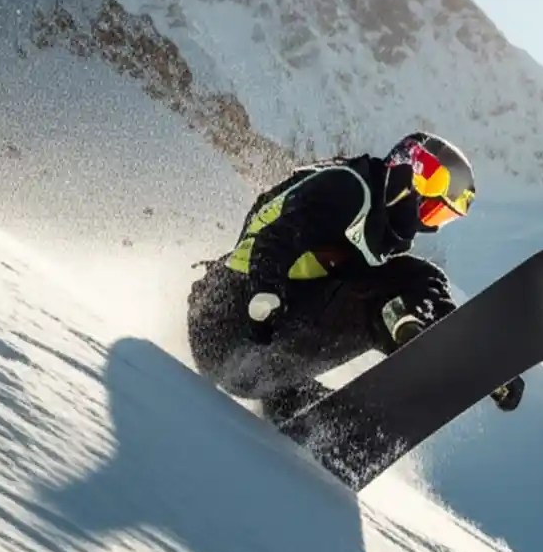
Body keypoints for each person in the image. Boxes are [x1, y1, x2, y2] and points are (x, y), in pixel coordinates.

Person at [185, 131, 525, 424]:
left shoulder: (371, 223)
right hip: (235, 325)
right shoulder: (349, 188)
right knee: (416, 278)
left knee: (392, 283)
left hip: (249, 352)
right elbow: (277, 237)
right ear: (408, 171)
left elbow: (329, 289)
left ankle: (308, 417)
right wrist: (265, 297)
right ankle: (411, 331)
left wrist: (486, 369)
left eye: (438, 215)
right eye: (428, 202)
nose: (425, 220)